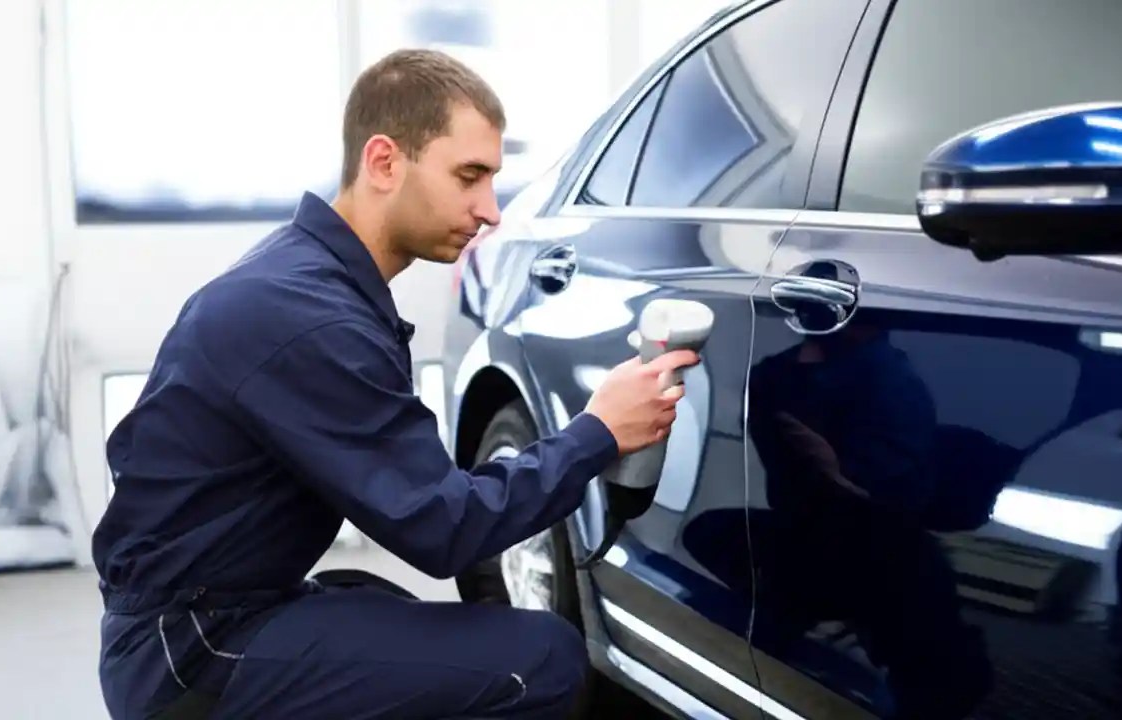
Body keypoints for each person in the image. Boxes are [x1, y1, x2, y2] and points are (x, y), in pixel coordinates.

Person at [91, 48, 697, 720]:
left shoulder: (307, 280)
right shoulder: (306, 319)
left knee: (371, 600)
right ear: (383, 162)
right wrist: (599, 433)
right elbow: (443, 531)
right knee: (541, 660)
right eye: (469, 176)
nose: (490, 210)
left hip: (192, 623)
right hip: (189, 655)